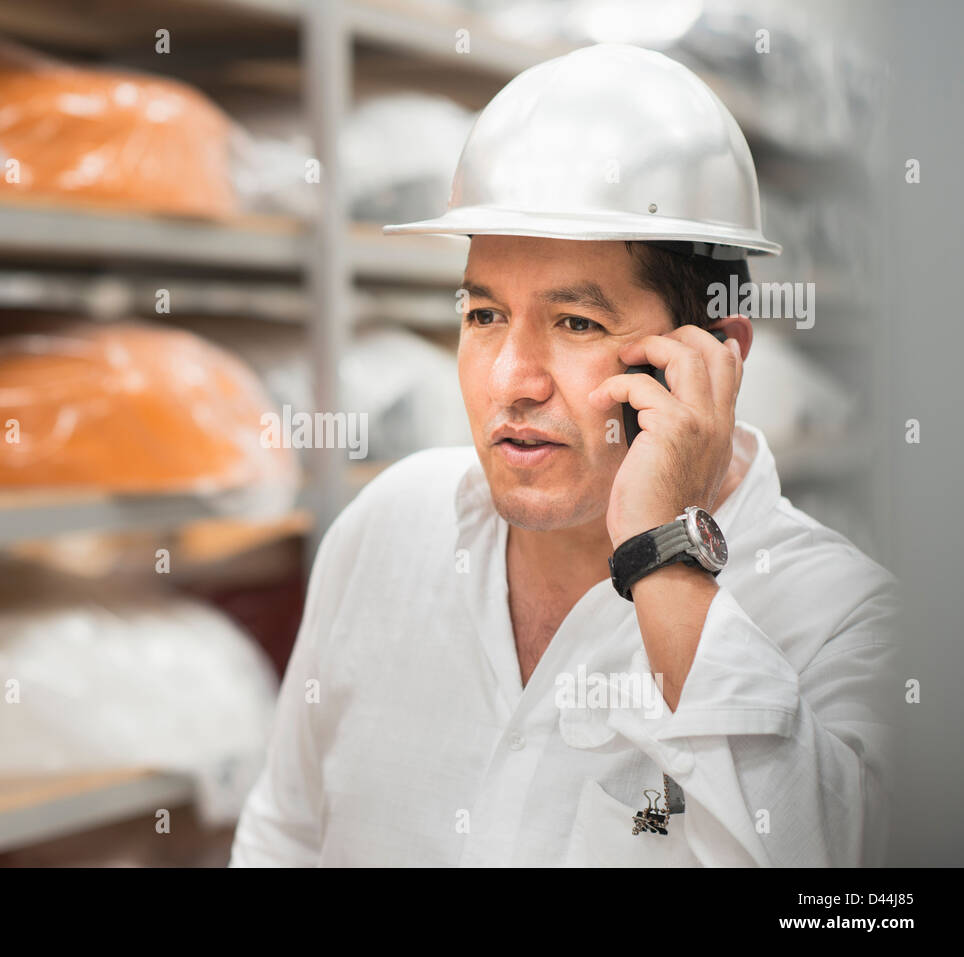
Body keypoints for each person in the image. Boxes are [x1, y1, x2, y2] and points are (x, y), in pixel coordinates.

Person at [229, 43, 899, 866]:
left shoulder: (842, 621)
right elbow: (287, 833)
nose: (511, 380)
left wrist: (666, 555)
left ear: (712, 355)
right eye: (484, 316)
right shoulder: (386, 529)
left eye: (576, 323)